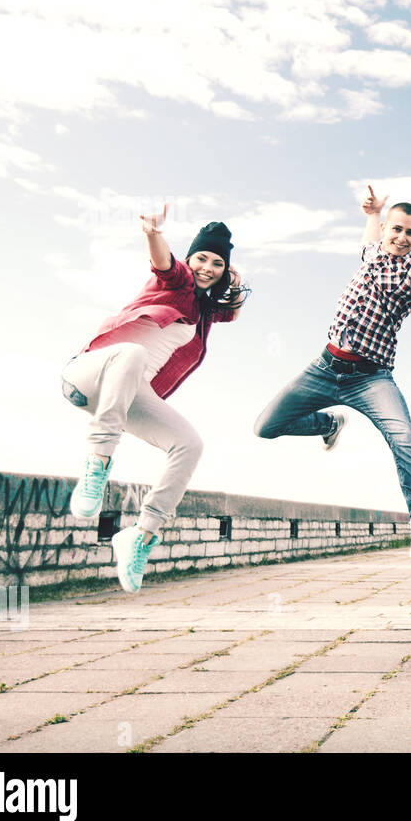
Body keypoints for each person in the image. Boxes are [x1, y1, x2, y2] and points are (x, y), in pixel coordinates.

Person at [253, 187, 411, 569]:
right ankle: (329, 423)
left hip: (371, 378)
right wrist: (373, 212)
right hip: (324, 367)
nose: (401, 238)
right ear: (386, 230)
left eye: (410, 233)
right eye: (395, 230)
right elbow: (369, 238)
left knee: (404, 439)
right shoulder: (372, 250)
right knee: (265, 426)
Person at [62, 205, 248, 593]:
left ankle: (141, 535)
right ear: (190, 257)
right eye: (202, 258)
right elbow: (165, 265)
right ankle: (97, 465)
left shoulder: (204, 313)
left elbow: (232, 313)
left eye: (217, 263)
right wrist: (152, 232)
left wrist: (236, 279)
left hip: (125, 396)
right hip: (86, 375)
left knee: (189, 444)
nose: (207, 267)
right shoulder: (175, 283)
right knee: (132, 354)